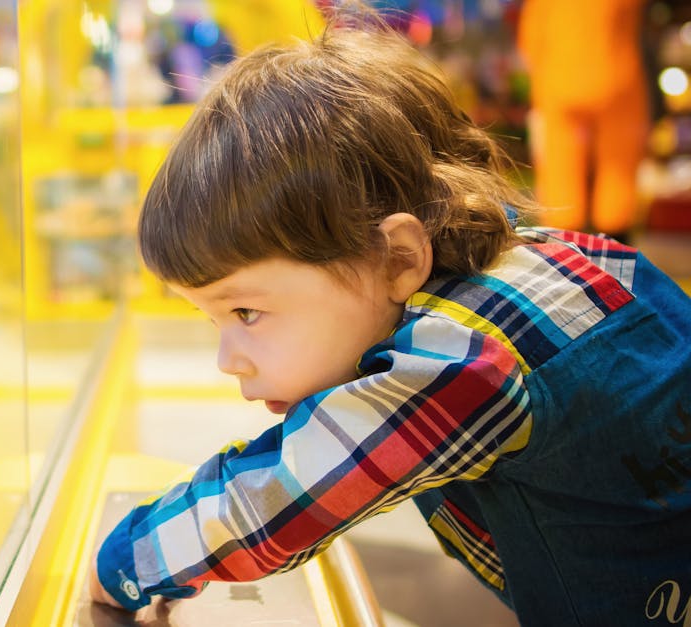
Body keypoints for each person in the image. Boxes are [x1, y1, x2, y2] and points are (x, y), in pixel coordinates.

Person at [88, 9, 691, 627]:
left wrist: (122, 565)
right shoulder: (553, 257)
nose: (227, 359)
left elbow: (277, 499)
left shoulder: (462, 359)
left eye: (246, 311)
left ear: (397, 257)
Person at [517, 0, 648, 241]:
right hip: (616, 75)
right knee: (617, 163)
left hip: (559, 78)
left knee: (561, 162)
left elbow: (531, 38)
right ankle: (615, 232)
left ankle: (563, 232)